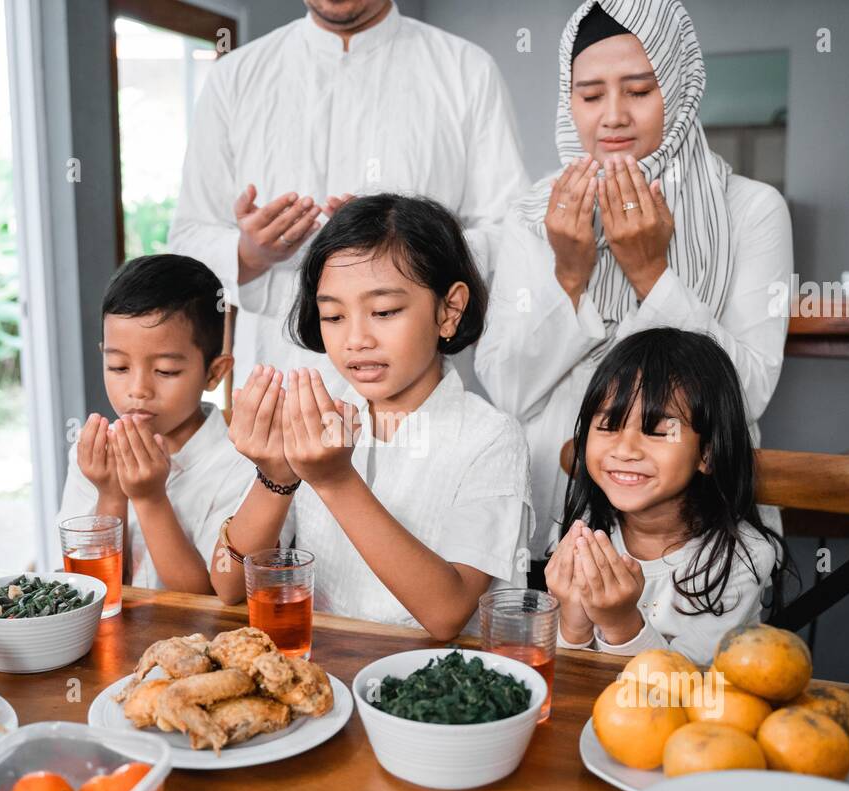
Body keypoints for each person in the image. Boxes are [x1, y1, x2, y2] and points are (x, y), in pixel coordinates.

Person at [475, 0, 792, 585]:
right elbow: (508, 390)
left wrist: (650, 273)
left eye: (640, 90)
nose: (612, 117)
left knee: (675, 674)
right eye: (590, 96)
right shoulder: (533, 214)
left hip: (693, 532)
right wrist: (569, 273)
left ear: (679, 87)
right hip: (554, 512)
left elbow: (746, 395)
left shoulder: (750, 210)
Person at [209, 195, 532, 639]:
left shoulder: (492, 438)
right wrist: (275, 477)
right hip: (320, 674)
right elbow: (227, 585)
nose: (356, 339)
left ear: (449, 310)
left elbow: (446, 614)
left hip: (431, 689)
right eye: (333, 315)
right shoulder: (318, 413)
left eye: (383, 312)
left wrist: (334, 480)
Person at [169, 0, 529, 395]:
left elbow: (512, 234)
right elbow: (187, 242)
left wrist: (406, 247)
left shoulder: (466, 70)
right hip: (280, 380)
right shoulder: (233, 78)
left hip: (420, 395)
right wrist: (249, 254)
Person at [546, 328, 785, 666]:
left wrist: (620, 623)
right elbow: (567, 678)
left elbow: (680, 689)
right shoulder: (583, 533)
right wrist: (572, 621)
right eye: (608, 427)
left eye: (658, 431)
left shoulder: (741, 560)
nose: (625, 449)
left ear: (707, 453)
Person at [57, 255, 255, 593]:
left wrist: (150, 499)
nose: (137, 390)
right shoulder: (93, 456)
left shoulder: (240, 464)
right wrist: (110, 494)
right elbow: (88, 589)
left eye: (165, 371)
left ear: (213, 373)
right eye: (119, 367)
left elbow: (204, 601)